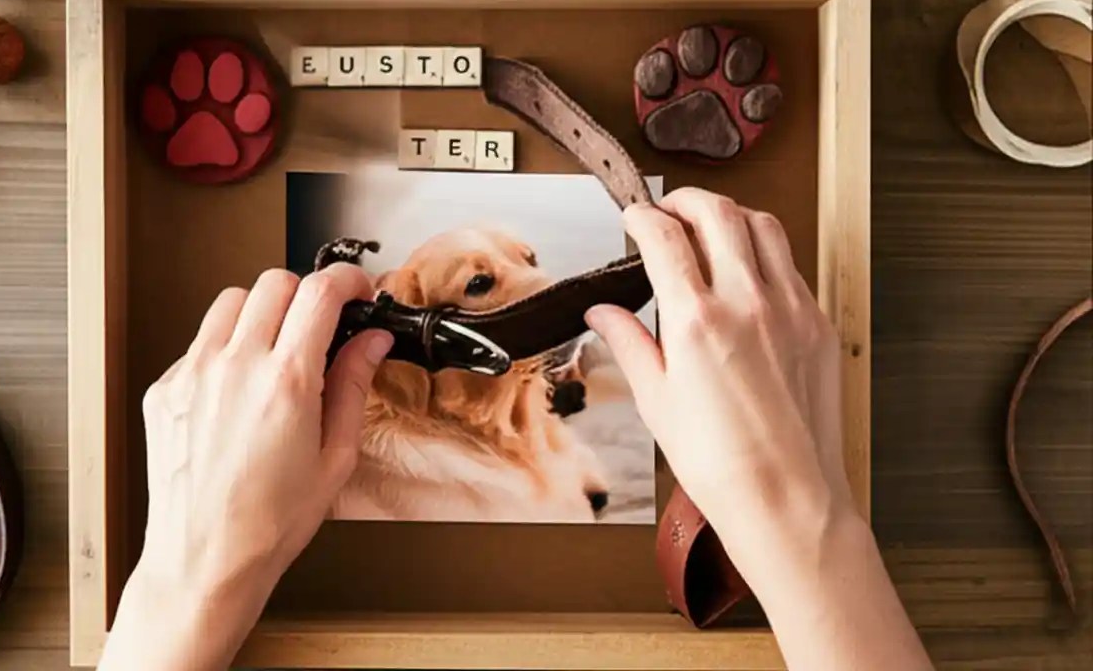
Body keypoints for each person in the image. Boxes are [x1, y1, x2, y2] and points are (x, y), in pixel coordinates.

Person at [98, 188, 934, 671]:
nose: (542, 286)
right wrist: (813, 537)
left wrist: (176, 592)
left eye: (525, 259)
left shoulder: (546, 421)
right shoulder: (400, 456)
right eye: (484, 284)